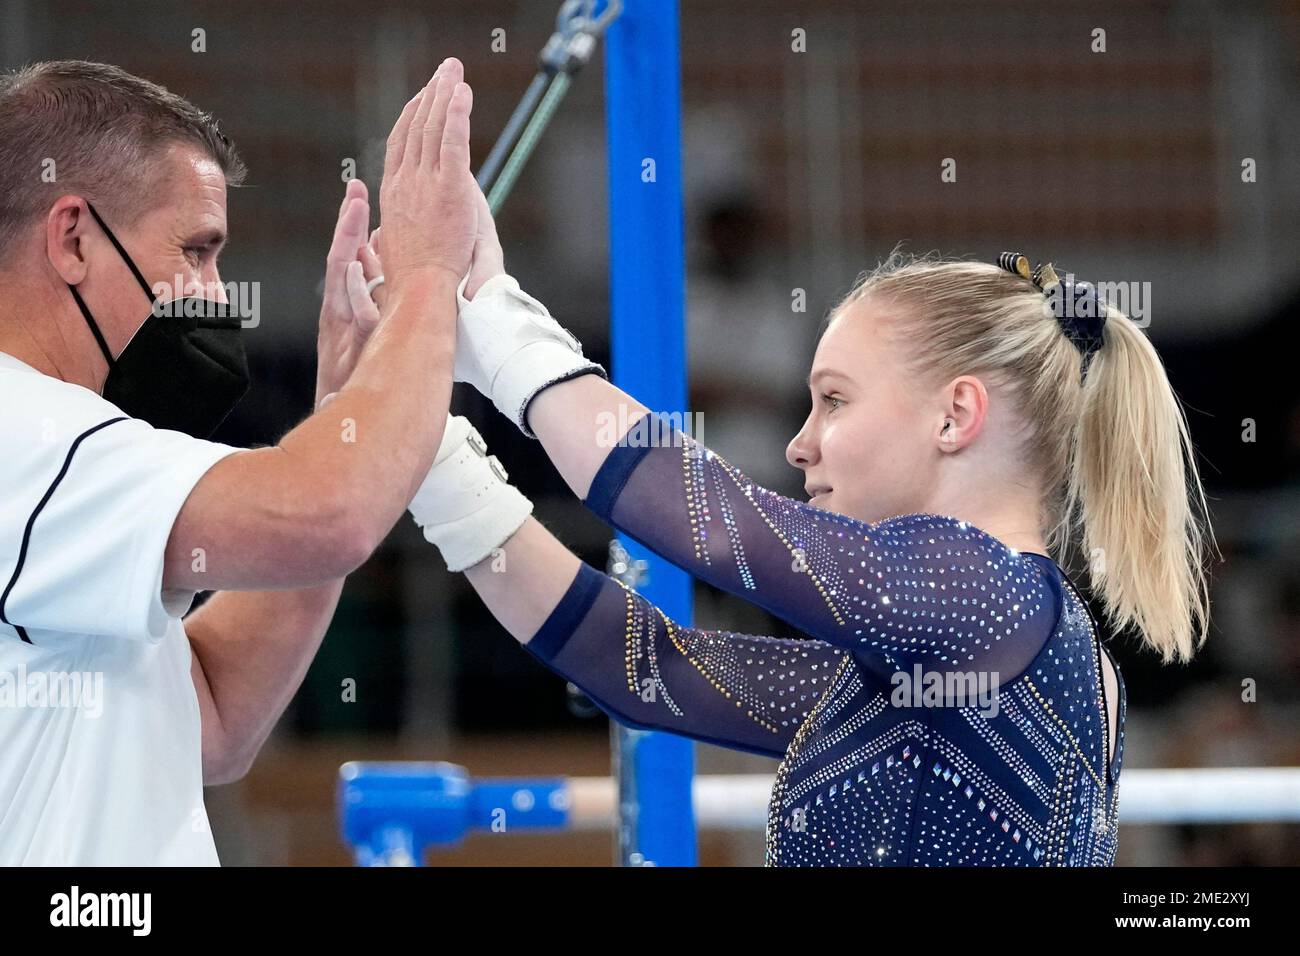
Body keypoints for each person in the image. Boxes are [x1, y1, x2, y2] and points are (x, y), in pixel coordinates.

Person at [351, 193, 1215, 864]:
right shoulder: (948, 662)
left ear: (955, 417)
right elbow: (641, 667)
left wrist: (497, 325)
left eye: (834, 400)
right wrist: (437, 461)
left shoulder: (990, 598)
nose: (800, 445)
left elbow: (715, 530)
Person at [0, 57, 483, 864]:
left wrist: (344, 408)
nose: (218, 298)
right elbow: (332, 512)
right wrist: (432, 270)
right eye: (195, 251)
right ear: (74, 238)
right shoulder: (25, 432)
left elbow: (212, 717)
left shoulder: (58, 458)